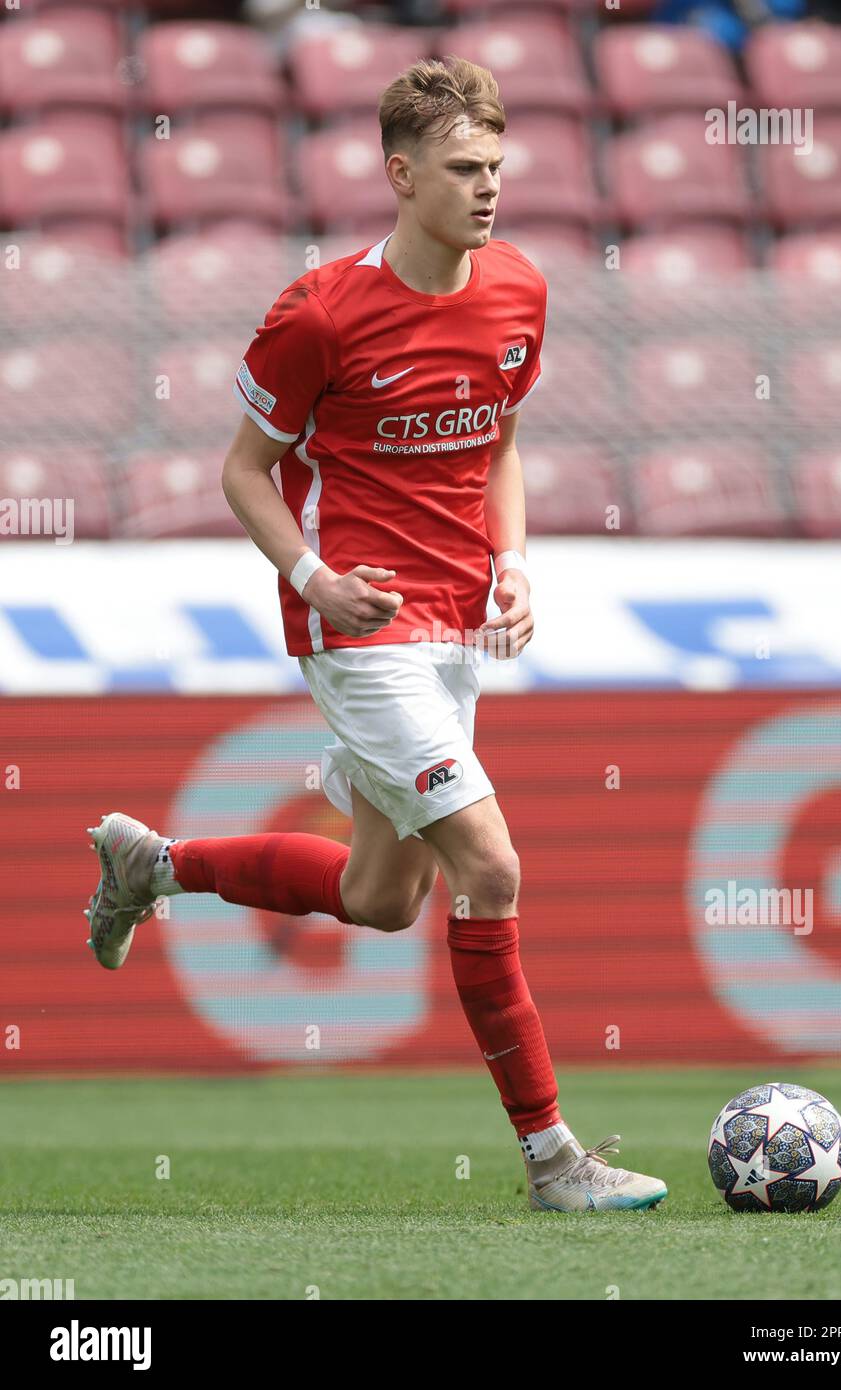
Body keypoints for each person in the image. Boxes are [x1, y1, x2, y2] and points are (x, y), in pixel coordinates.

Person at [84, 56, 667, 1214]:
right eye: (463, 169)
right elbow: (243, 470)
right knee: (490, 866)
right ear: (401, 175)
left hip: (458, 626)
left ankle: (155, 866)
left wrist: (511, 560)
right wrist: (310, 575)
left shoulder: (519, 290)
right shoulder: (322, 313)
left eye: (497, 166)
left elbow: (497, 438)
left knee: (381, 896)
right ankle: (555, 1162)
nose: (487, 189)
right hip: (356, 629)